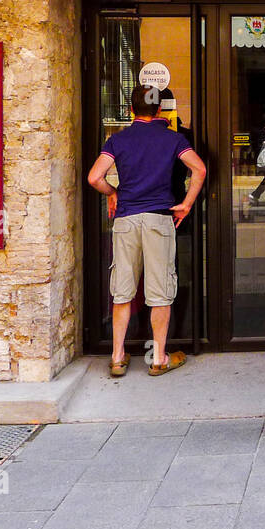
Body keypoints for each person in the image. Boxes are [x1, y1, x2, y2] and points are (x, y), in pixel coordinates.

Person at [87, 84, 206, 378]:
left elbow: (94, 177)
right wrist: (186, 204)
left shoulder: (119, 140)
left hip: (126, 220)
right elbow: (200, 169)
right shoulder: (173, 139)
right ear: (159, 110)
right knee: (160, 291)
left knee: (122, 291)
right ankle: (159, 358)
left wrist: (112, 192)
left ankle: (117, 356)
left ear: (131, 110)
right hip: (158, 220)